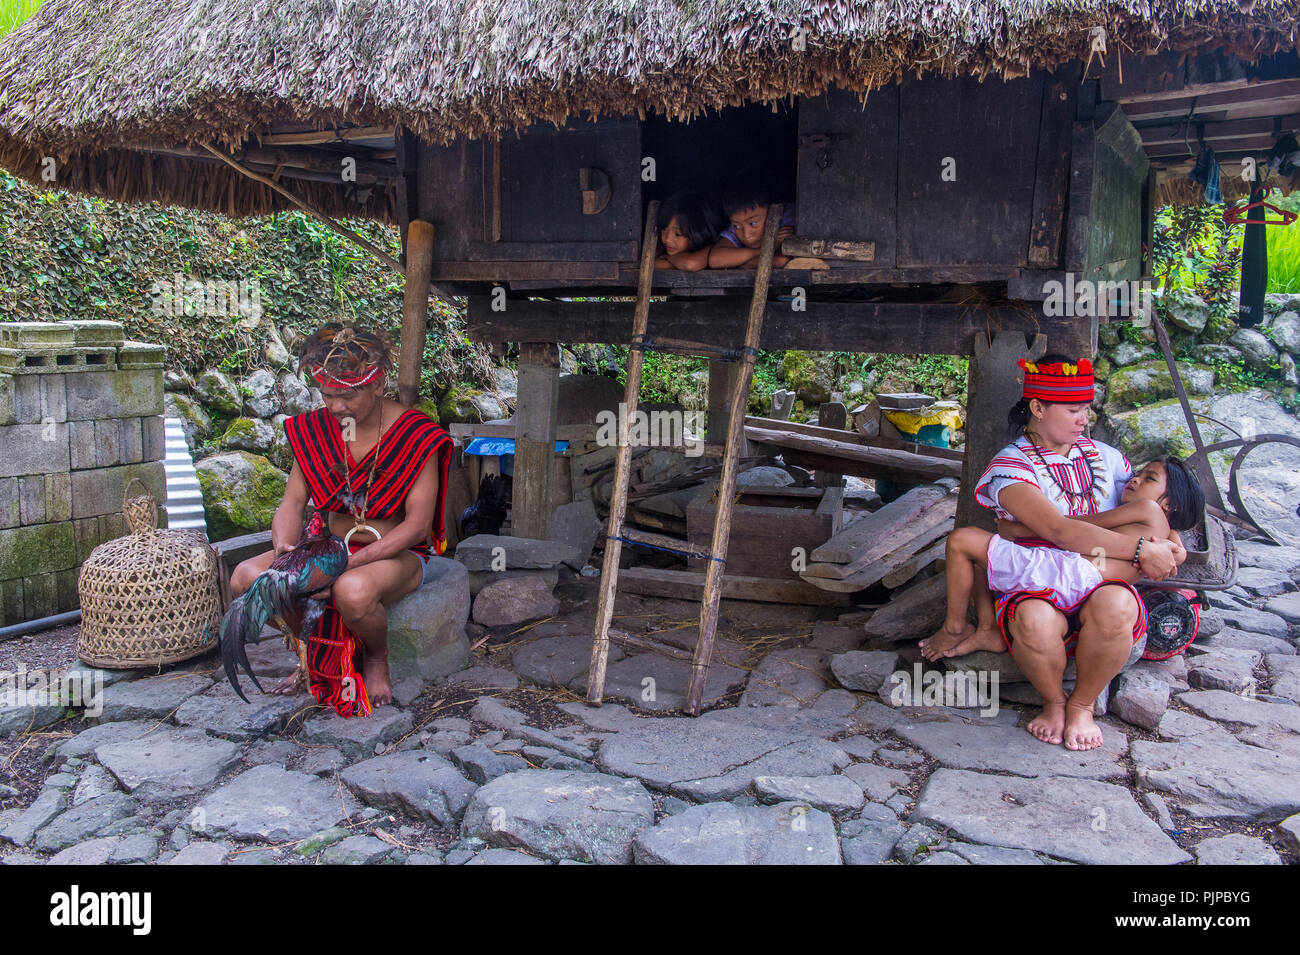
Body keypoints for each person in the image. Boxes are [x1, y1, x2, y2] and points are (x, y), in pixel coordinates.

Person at [918, 355, 1180, 750]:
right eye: (1073, 410)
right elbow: (1058, 531)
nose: (1083, 419)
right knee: (1036, 619)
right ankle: (1054, 702)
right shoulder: (1012, 468)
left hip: (1100, 578)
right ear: (1038, 408)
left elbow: (1148, 505)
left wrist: (1169, 539)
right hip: (1038, 582)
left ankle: (1082, 705)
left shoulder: (1106, 457)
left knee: (1117, 609)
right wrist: (1143, 550)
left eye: (1086, 409)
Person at [228, 323, 453, 715]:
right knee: (246, 578)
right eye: (328, 395)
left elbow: (417, 526)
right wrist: (284, 548)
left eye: (347, 396)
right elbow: (292, 505)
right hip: (327, 547)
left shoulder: (418, 435)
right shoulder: (317, 429)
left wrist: (352, 563)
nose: (336, 408)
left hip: (394, 556)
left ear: (378, 383)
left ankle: (376, 658)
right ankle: (312, 655)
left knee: (351, 590)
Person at [921, 456, 1203, 663]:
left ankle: (954, 628)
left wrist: (1021, 528)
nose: (1135, 478)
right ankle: (988, 630)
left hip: (1069, 574)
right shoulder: (1165, 538)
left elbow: (1079, 525)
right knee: (984, 558)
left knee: (961, 541)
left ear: (1168, 504)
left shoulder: (1146, 509)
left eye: (1149, 478)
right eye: (1139, 472)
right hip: (1083, 587)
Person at [707, 179, 796, 269]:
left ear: (771, 210)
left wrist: (737, 264)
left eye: (753, 223)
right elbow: (715, 260)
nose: (746, 235)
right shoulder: (741, 221)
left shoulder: (788, 217)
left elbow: (782, 261)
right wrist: (764, 249)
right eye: (736, 226)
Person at [654, 191, 725, 271]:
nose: (667, 239)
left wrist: (668, 258)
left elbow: (690, 264)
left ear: (699, 233)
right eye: (664, 229)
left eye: (677, 234)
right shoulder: (661, 248)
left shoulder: (711, 249)